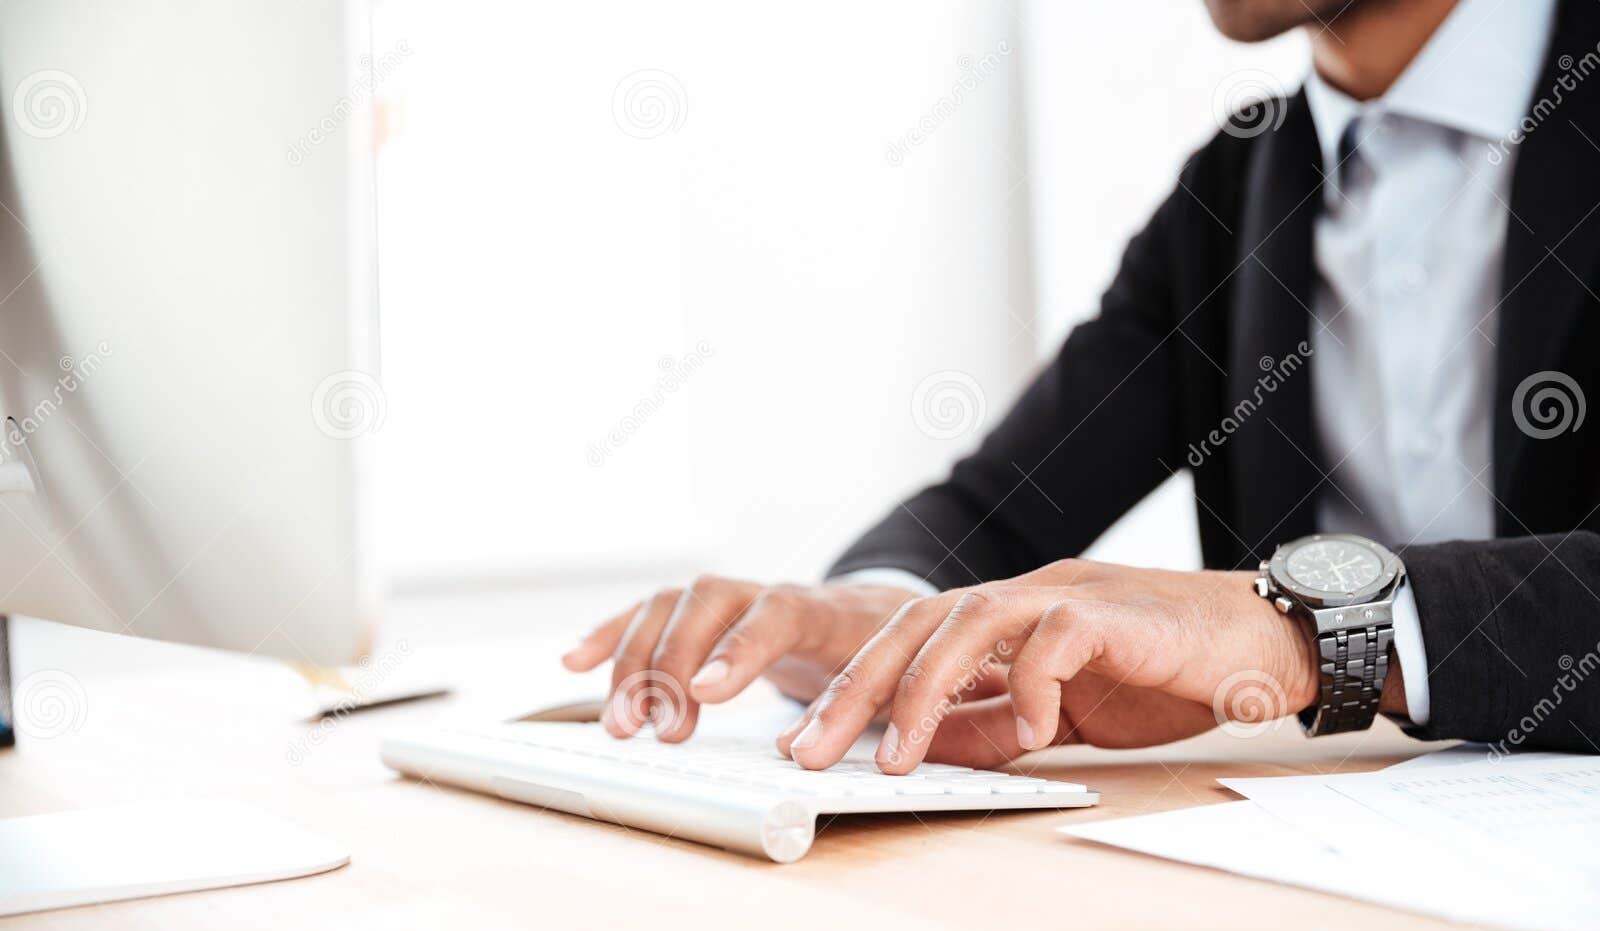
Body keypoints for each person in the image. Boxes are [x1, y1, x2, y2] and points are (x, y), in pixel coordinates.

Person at [566, 0, 1600, 773]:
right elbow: (993, 509)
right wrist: (886, 616)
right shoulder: (1241, 184)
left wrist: (1301, 628)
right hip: (1356, 859)